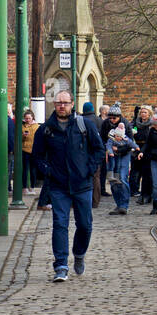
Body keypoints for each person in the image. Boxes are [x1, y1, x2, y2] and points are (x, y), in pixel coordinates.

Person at [32, 91, 105, 282]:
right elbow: (37, 156)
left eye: (65, 103)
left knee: (85, 225)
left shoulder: (84, 125)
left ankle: (79, 254)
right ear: (54, 104)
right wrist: (48, 171)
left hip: (82, 184)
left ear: (72, 104)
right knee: (60, 224)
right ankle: (61, 265)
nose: (61, 106)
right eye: (58, 103)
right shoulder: (46, 129)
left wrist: (89, 170)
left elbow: (99, 150)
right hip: (58, 186)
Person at [105, 124, 139, 215]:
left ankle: (124, 205)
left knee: (122, 179)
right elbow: (105, 142)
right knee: (114, 182)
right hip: (113, 159)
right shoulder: (107, 125)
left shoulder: (126, 127)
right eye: (111, 117)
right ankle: (119, 204)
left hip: (124, 156)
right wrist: (110, 151)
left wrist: (118, 149)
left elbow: (130, 144)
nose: (112, 119)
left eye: (114, 117)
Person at [20, 109, 39, 193]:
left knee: (33, 170)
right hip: (24, 150)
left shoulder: (37, 126)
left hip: (34, 150)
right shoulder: (22, 126)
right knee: (25, 169)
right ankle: (24, 187)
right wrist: (23, 136)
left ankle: (32, 187)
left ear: (32, 118)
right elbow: (19, 139)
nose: (27, 120)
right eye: (26, 118)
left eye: (29, 118)